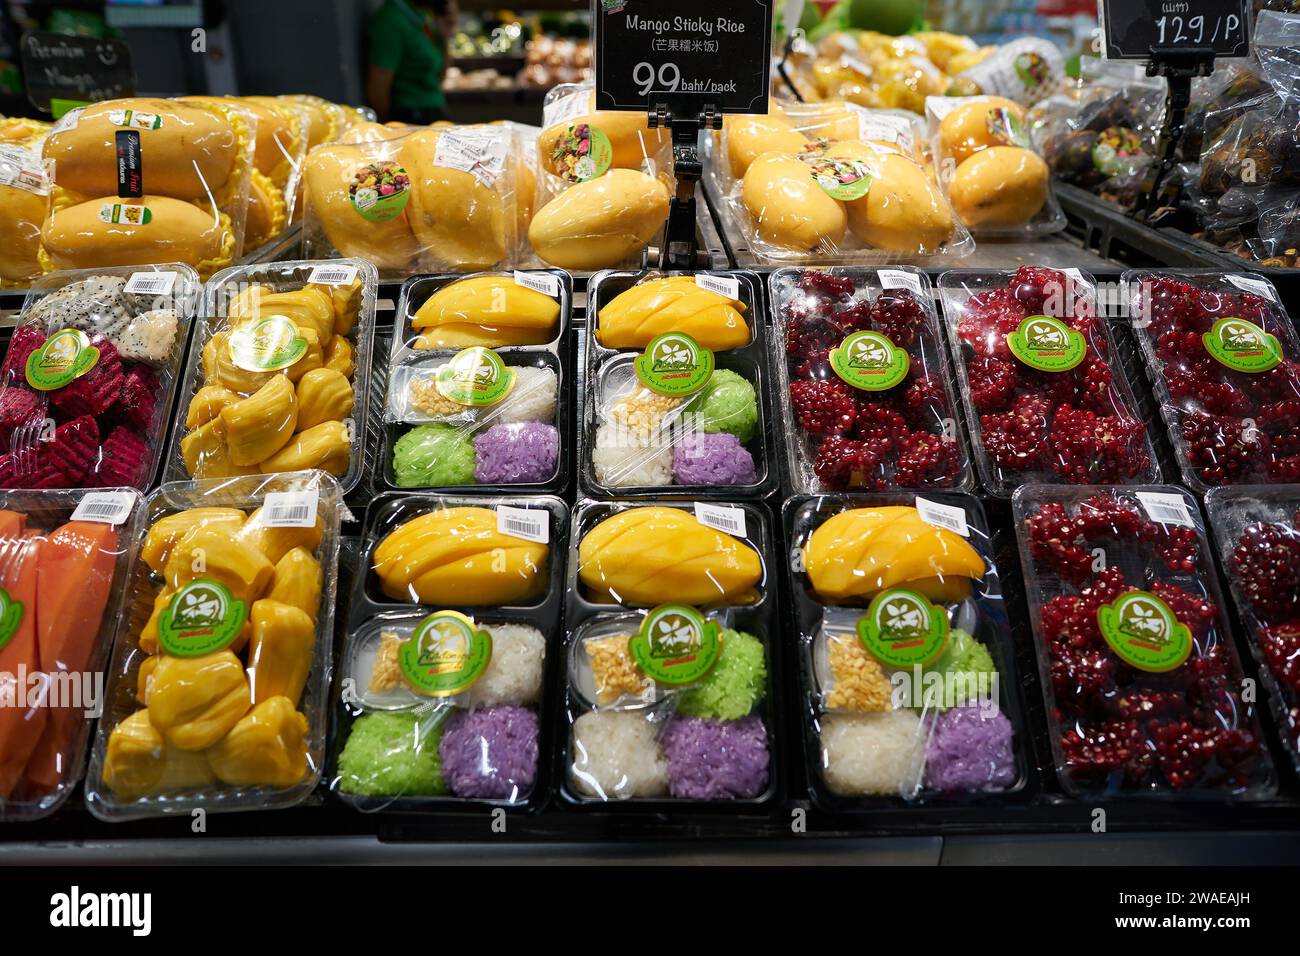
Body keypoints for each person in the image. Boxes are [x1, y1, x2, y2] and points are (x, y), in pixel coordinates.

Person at [366, 0, 458, 124]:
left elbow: (439, 78)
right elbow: (378, 90)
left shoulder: (422, 15)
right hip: (410, 116)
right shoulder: (391, 20)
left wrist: (446, 36)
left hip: (435, 111)